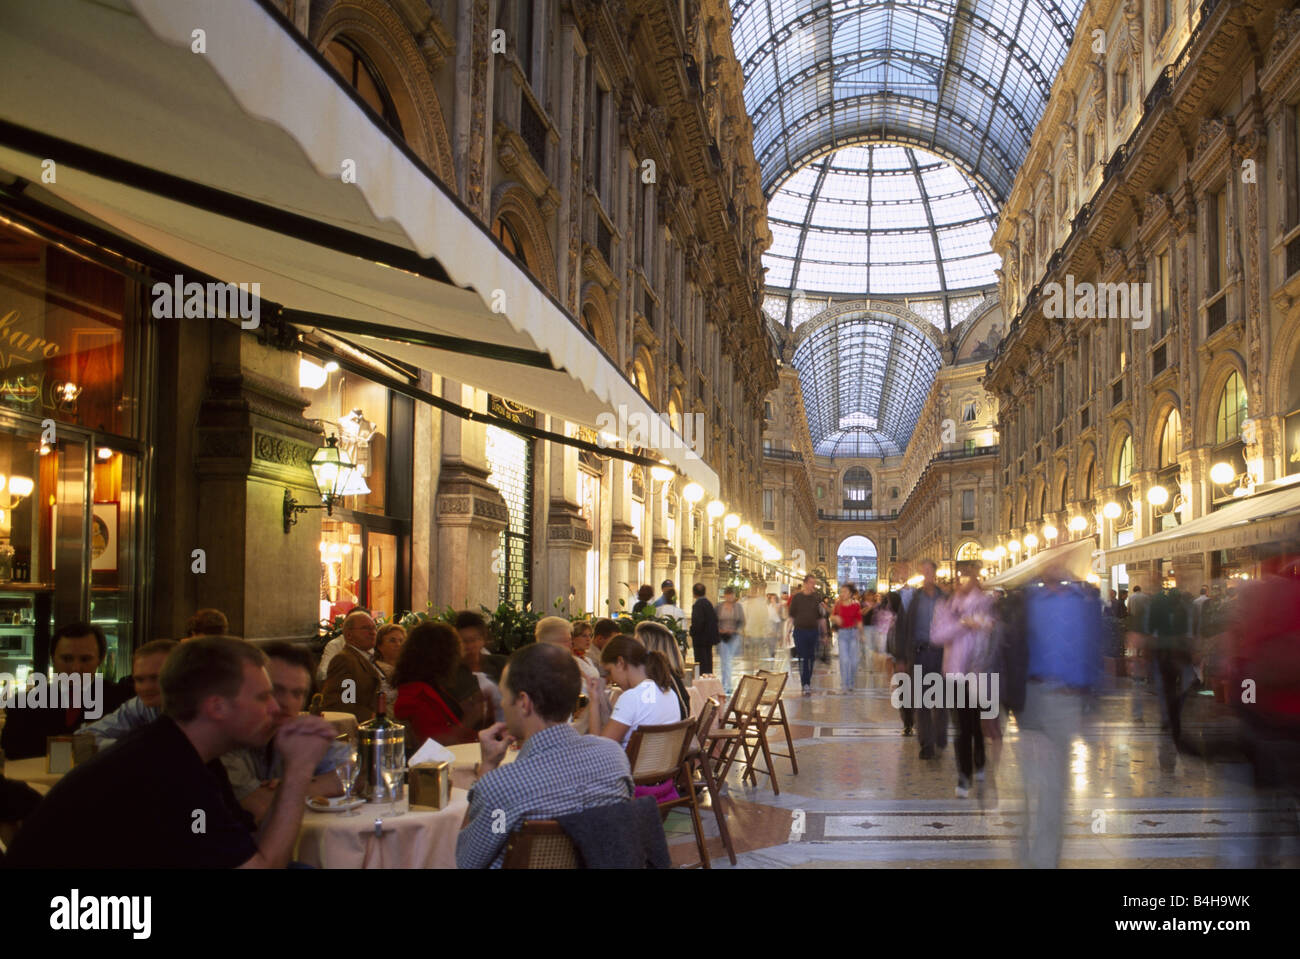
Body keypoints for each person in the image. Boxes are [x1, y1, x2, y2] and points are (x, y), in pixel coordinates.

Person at [4, 637, 337, 868]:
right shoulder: (166, 771)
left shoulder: (190, 755)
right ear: (217, 707)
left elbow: (250, 848)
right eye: (263, 697)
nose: (276, 708)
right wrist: (298, 771)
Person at [456, 643, 633, 869]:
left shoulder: (500, 790)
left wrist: (488, 768)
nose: (501, 703)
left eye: (504, 694)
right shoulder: (614, 758)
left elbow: (466, 861)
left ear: (523, 702)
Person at [1017, 565, 1104, 868]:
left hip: (1067, 701)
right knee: (1026, 787)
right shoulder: (1025, 600)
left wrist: (1093, 706)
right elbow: (1008, 648)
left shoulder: (1085, 602)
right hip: (1029, 700)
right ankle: (1026, 853)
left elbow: (1095, 651)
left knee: (1053, 789)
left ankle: (1044, 861)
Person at [222, 642, 346, 823]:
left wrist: (291, 786)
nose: (286, 703)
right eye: (275, 690)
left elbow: (358, 773)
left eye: (297, 694)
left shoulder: (299, 732)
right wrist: (300, 783)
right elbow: (258, 809)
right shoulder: (228, 737)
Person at [0, 622, 131, 760]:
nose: (75, 668)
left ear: (101, 660)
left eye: (85, 659)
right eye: (67, 659)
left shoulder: (122, 701)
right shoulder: (23, 704)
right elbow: (13, 752)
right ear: (53, 659)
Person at [931, 563, 996, 797]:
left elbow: (993, 629)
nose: (961, 581)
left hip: (981, 672)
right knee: (961, 727)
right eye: (958, 577)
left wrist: (983, 624)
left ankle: (979, 763)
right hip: (955, 673)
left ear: (975, 578)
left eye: (966, 576)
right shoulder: (946, 606)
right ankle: (964, 776)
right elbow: (937, 636)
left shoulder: (987, 602)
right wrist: (962, 624)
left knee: (977, 724)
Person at [393, 622, 486, 749]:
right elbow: (435, 744)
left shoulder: (429, 685)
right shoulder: (417, 694)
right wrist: (472, 718)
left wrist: (468, 706)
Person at [82, 639, 179, 747]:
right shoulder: (140, 705)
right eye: (139, 680)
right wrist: (136, 747)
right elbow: (85, 737)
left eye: (156, 678)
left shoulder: (198, 710)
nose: (146, 687)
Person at [897, 560, 949, 755]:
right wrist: (901, 657)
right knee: (922, 701)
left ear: (935, 574)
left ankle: (940, 734)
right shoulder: (913, 599)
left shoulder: (945, 598)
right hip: (919, 653)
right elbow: (902, 628)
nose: (926, 575)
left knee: (942, 699)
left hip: (942, 654)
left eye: (929, 572)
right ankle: (926, 743)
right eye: (923, 572)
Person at [600, 635, 682, 746]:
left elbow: (601, 749)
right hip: (664, 763)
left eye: (609, 671)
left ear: (620, 662)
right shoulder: (670, 693)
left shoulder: (631, 698)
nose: (610, 679)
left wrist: (595, 702)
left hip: (630, 763)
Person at [536, 616, 611, 735]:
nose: (570, 644)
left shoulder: (563, 666)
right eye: (567, 640)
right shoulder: (542, 671)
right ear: (552, 643)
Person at [320, 610, 386, 722]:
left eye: (374, 628)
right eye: (366, 628)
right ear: (349, 634)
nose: (372, 632)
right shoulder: (345, 660)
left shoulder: (369, 657)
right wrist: (373, 719)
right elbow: (345, 703)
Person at [634, 621, 689, 718]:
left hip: (668, 732)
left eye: (638, 645)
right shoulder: (669, 675)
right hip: (676, 731)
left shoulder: (658, 679)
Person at [788, 574, 823, 695]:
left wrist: (824, 634)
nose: (813, 585)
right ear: (805, 583)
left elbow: (820, 617)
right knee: (802, 657)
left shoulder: (816, 598)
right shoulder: (797, 598)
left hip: (813, 631)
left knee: (811, 657)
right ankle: (805, 683)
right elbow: (791, 616)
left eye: (814, 583)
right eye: (811, 583)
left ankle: (807, 680)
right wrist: (787, 632)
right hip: (800, 631)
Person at [456, 610, 507, 683]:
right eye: (464, 641)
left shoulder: (502, 664)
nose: (469, 646)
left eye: (473, 640)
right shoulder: (452, 672)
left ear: (483, 639)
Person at [831, 583, 863, 694]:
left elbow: (859, 620)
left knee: (854, 661)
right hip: (843, 634)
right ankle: (845, 685)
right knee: (844, 660)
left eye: (844, 591)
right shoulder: (838, 604)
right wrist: (835, 618)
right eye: (841, 591)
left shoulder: (856, 605)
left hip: (853, 633)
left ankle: (851, 683)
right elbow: (831, 616)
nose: (842, 593)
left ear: (850, 593)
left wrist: (862, 634)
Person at [715, 586, 746, 695]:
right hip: (722, 636)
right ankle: (726, 685)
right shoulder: (719, 606)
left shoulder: (738, 607)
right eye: (727, 595)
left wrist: (735, 630)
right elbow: (715, 620)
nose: (729, 597)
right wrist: (720, 629)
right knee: (725, 661)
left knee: (728, 661)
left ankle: (727, 685)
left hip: (734, 636)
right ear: (725, 595)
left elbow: (742, 621)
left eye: (731, 595)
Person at [689, 583, 719, 676]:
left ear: (694, 593)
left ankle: (702, 681)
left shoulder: (698, 605)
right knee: (708, 661)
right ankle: (708, 678)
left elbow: (698, 623)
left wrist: (692, 631)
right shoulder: (709, 604)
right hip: (708, 640)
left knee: (700, 663)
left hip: (700, 640)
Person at [765, 592, 784, 660]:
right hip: (770, 622)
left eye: (773, 598)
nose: (771, 599)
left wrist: (774, 603)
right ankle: (771, 650)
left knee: (773, 638)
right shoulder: (768, 605)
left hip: (776, 622)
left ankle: (772, 651)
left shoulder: (778, 605)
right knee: (768, 637)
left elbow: (778, 612)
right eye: (771, 598)